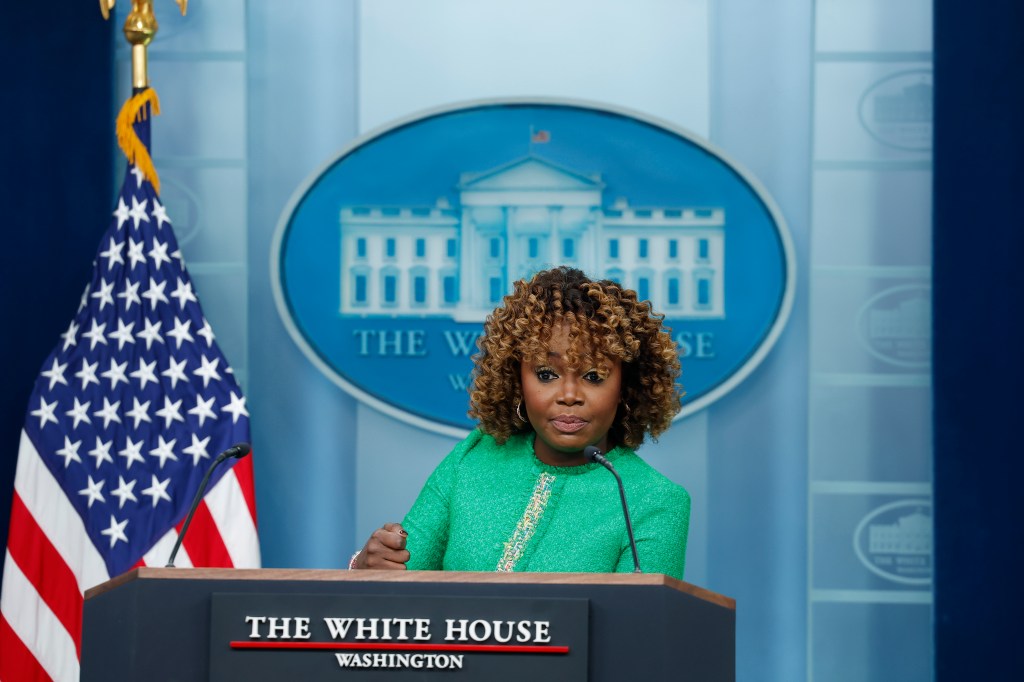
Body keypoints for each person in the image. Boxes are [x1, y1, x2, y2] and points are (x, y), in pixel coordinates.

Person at [351, 266, 691, 578]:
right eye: (546, 374)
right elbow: (396, 587)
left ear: (625, 386)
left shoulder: (655, 501)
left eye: (593, 375)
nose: (569, 394)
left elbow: (643, 631)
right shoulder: (474, 457)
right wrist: (369, 566)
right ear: (518, 380)